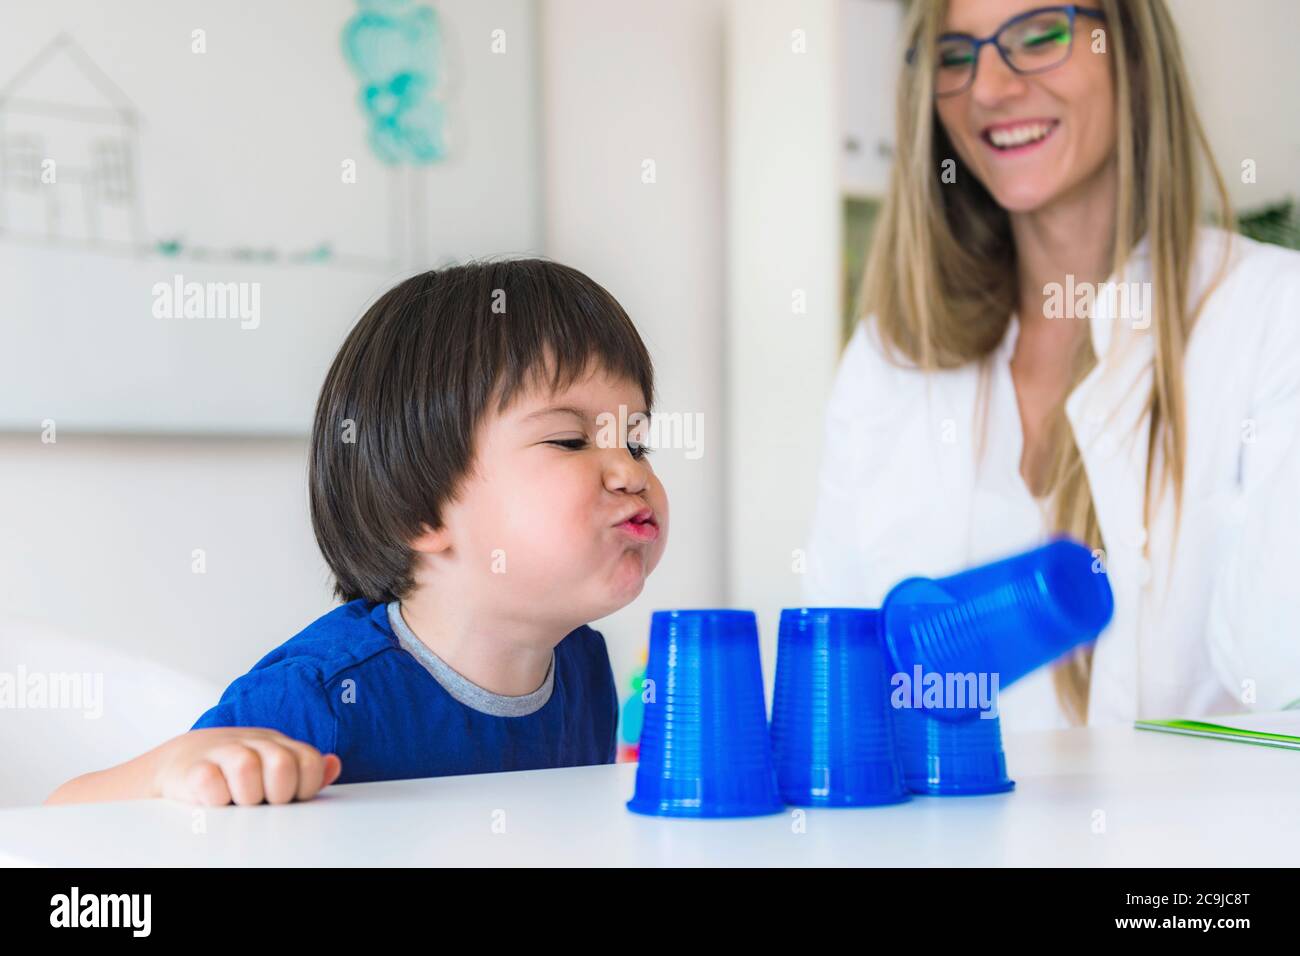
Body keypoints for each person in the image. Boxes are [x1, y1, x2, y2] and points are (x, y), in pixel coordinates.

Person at [804, 0, 1300, 730]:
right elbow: (836, 689)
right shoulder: (889, 361)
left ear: (1132, 52)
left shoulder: (1271, 317)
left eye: (1040, 35)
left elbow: (1280, 675)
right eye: (955, 56)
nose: (988, 88)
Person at [45, 259, 669, 805]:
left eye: (636, 442)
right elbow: (60, 820)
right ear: (420, 512)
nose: (630, 472)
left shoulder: (583, 667)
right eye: (570, 440)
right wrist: (170, 770)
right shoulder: (319, 699)